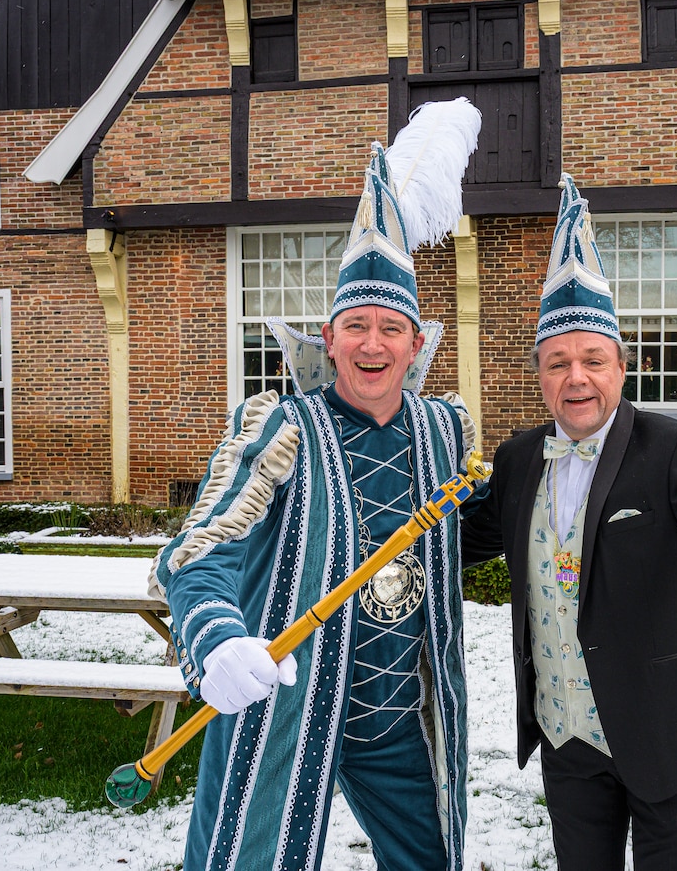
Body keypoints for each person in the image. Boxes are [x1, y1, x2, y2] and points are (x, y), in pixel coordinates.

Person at [150, 100, 481, 871]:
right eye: (355, 326)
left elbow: (490, 527)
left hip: (398, 722)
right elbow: (201, 550)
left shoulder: (445, 432)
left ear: (417, 342)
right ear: (327, 338)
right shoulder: (279, 426)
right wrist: (217, 637)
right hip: (285, 712)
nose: (373, 343)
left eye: (390, 328)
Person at [461, 174, 677, 871]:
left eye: (592, 360)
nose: (576, 378)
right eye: (558, 363)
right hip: (567, 735)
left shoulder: (671, 447)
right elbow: (465, 539)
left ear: (622, 365)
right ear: (539, 374)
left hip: (666, 729)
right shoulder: (519, 457)